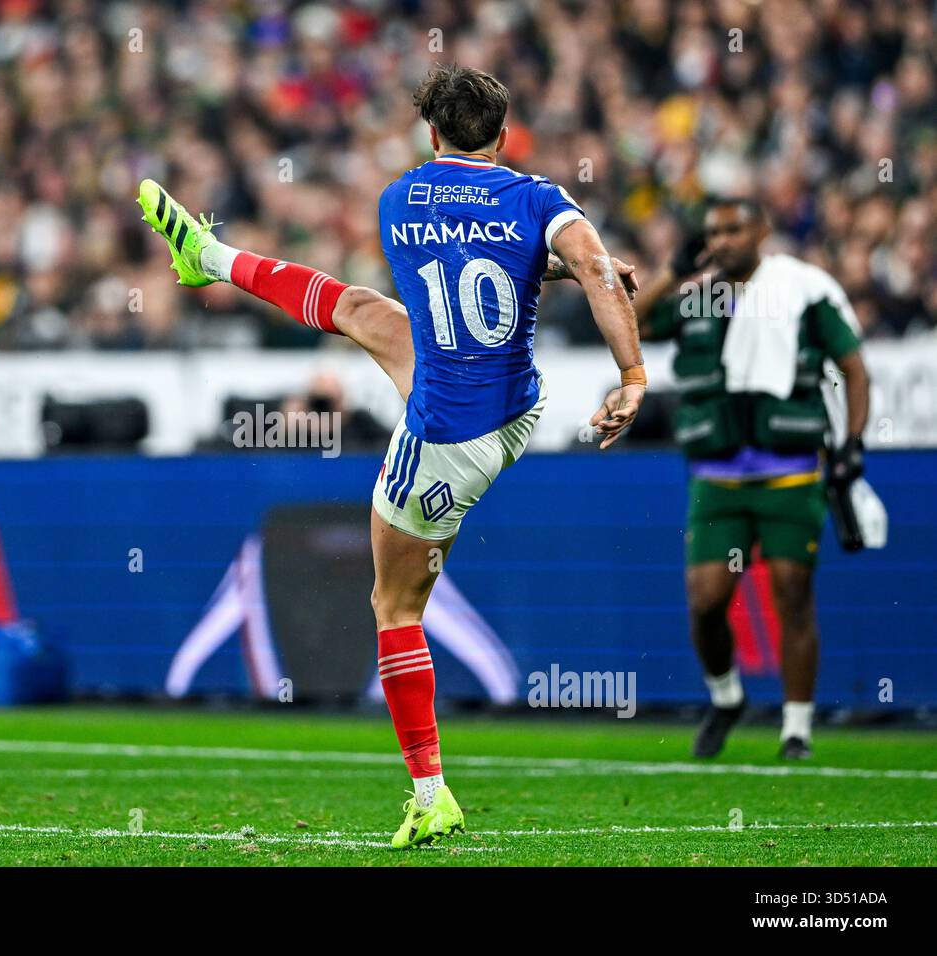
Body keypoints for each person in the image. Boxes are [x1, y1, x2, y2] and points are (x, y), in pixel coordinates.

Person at [139, 63, 646, 847]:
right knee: (360, 310)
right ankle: (210, 257)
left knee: (395, 607)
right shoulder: (542, 199)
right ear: (504, 135)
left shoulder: (400, 200)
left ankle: (431, 792)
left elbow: (464, 254)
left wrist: (576, 275)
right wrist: (631, 371)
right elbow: (586, 267)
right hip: (515, 406)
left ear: (431, 132)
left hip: (443, 438)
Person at [633, 197, 870, 760]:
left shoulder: (801, 291)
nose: (722, 241)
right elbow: (629, 322)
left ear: (761, 230)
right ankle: (726, 696)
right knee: (705, 600)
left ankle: (796, 728)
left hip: (789, 470)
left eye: (734, 229)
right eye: (713, 232)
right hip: (717, 475)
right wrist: (670, 272)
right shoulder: (697, 296)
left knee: (793, 594)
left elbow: (854, 368)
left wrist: (852, 443)